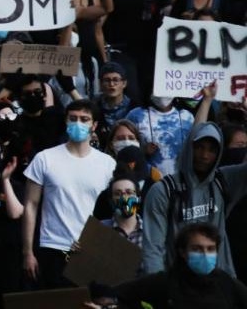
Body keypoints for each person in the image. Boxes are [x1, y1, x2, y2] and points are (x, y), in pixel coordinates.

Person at [22, 100, 116, 288]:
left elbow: (110, 211)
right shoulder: (45, 158)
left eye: (84, 119)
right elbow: (31, 205)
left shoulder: (108, 164)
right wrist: (28, 252)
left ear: (94, 125)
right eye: (73, 118)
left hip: (90, 249)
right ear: (65, 122)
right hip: (52, 246)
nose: (78, 123)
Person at [142, 121, 247, 276]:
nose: (204, 155)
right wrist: (158, 290)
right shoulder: (164, 190)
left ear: (219, 154)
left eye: (212, 150)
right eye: (199, 147)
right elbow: (153, 248)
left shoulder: (223, 181)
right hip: (178, 286)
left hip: (219, 285)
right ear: (189, 148)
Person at [87, 223, 247, 309]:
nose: (205, 254)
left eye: (210, 249)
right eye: (197, 249)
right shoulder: (165, 282)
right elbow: (119, 293)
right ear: (183, 252)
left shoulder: (227, 283)